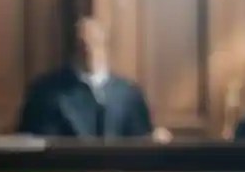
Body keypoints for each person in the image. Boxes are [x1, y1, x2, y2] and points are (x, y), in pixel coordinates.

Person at [17, 17, 171, 142]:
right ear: (73, 49)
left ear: (106, 47)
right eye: (83, 45)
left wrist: (155, 139)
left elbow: (141, 138)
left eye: (96, 44)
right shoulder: (46, 91)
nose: (89, 52)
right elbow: (33, 140)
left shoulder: (129, 94)